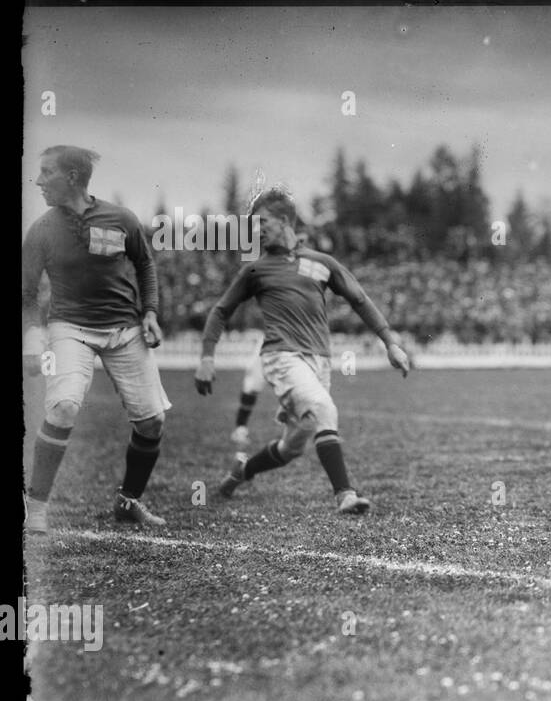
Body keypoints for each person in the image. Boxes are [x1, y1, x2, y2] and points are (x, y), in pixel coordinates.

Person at [195, 187, 411, 514]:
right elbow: (221, 310)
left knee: (292, 446)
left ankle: (242, 471)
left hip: (319, 362)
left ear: (284, 221)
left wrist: (390, 343)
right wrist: (207, 357)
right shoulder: (255, 270)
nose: (256, 230)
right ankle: (345, 494)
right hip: (281, 357)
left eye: (262, 222)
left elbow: (359, 299)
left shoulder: (322, 263)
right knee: (324, 409)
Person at [22, 145, 170, 533]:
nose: (38, 181)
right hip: (70, 328)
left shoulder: (122, 219)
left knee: (152, 422)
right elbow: (25, 293)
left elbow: (145, 264)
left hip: (126, 330)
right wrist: (32, 337)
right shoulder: (42, 230)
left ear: (72, 177)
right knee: (63, 408)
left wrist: (150, 313)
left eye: (47, 172)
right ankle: (35, 508)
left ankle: (128, 502)